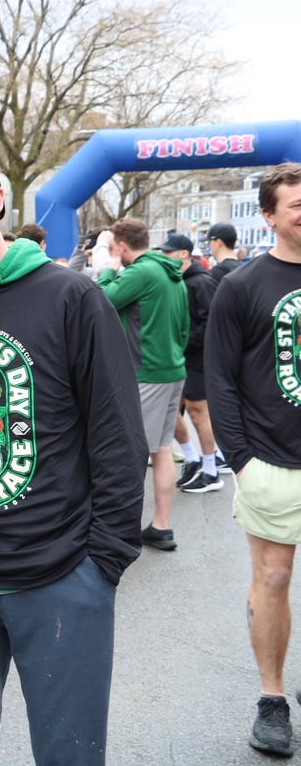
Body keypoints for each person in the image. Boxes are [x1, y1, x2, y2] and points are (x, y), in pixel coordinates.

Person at [0, 138, 145, 766]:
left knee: (70, 756)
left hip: (62, 574)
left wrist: (104, 561)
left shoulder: (71, 297)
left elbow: (118, 434)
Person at [205, 162, 301, 757]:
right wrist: (241, 459)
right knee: (274, 576)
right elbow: (220, 378)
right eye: (298, 205)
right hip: (271, 459)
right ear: (269, 216)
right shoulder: (241, 286)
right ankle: (273, 699)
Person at [95, 219, 189, 550]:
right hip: (172, 369)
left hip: (147, 373)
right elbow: (184, 327)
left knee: (131, 454)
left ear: (121, 246)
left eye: (112, 247)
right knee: (160, 449)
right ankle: (160, 526)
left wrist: (109, 270)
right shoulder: (171, 272)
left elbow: (100, 302)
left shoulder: (141, 272)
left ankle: (121, 532)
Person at [156, 233, 226, 492]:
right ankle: (193, 459)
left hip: (197, 358)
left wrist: (183, 342)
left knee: (198, 412)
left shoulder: (202, 282)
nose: (164, 256)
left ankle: (211, 471)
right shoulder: (179, 279)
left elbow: (212, 324)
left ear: (183, 253)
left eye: (168, 252)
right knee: (169, 410)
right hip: (179, 357)